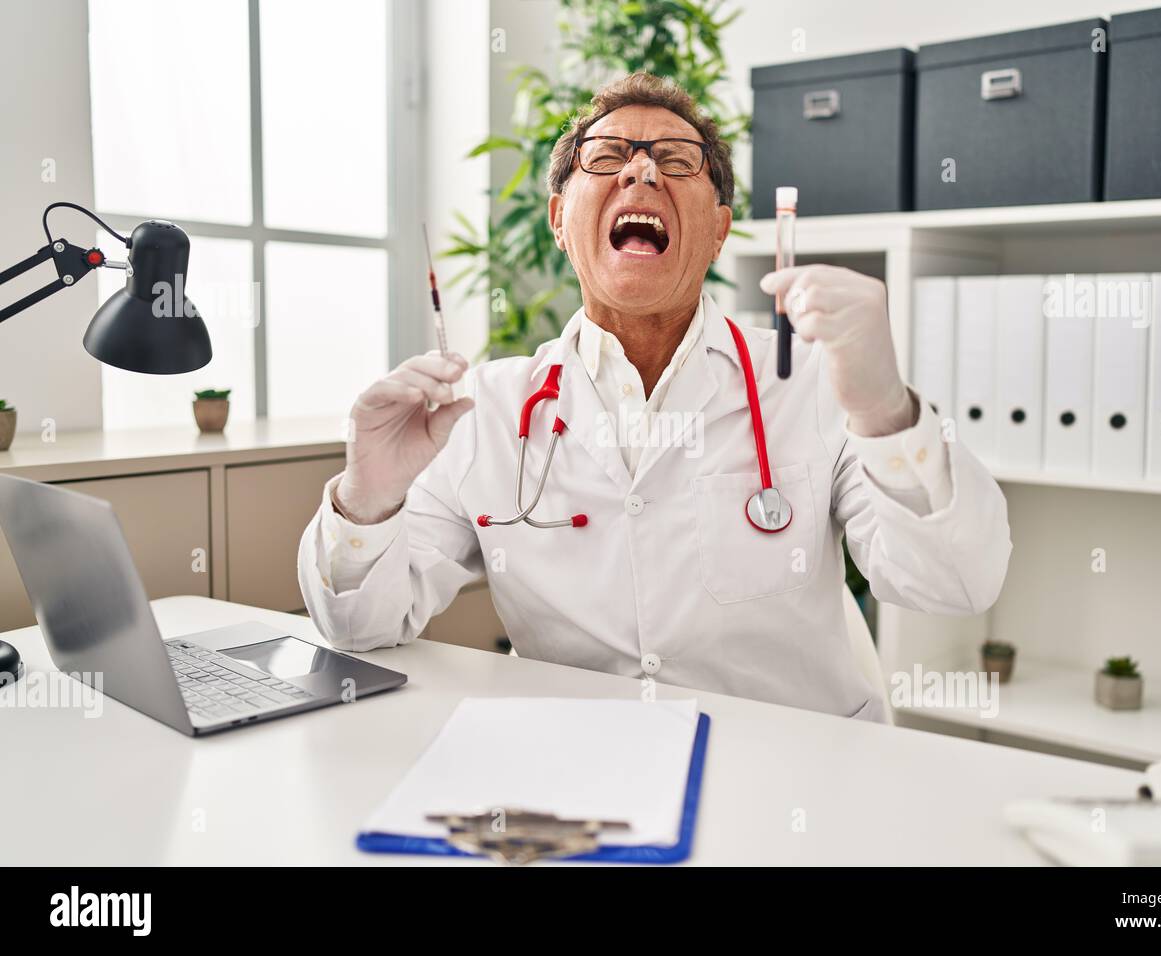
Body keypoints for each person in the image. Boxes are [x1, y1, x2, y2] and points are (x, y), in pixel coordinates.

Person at [298, 72, 1011, 722]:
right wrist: (370, 494)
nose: (641, 170)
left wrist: (888, 412)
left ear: (720, 231)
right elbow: (362, 629)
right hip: (582, 785)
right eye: (606, 157)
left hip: (788, 786)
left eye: (677, 161)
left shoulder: (815, 383)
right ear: (558, 218)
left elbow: (955, 584)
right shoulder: (484, 409)